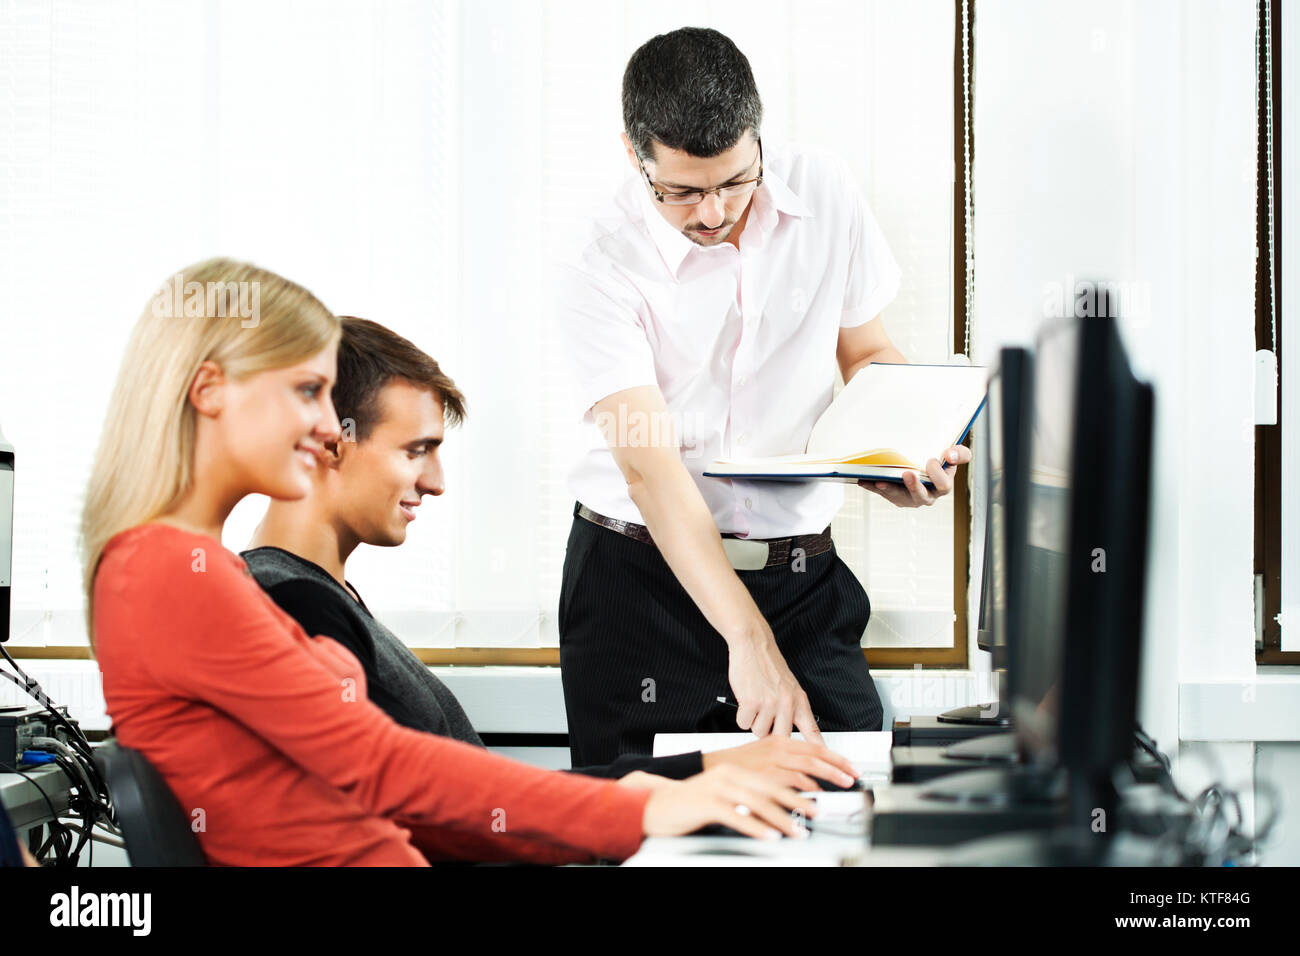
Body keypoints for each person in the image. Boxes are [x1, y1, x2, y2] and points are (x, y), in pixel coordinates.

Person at [82, 258, 817, 867]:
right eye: (306, 391)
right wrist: (652, 801)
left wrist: (670, 788)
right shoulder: (168, 570)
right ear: (207, 389)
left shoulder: (200, 570)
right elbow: (384, 765)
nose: (321, 423)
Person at [556, 27, 973, 767]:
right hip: (641, 585)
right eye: (682, 191)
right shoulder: (600, 257)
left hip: (802, 578)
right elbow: (650, 470)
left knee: (852, 796)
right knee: (652, 825)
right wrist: (747, 641)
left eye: (735, 181)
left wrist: (905, 454)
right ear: (634, 154)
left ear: (757, 137)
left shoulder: (825, 189)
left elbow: (867, 351)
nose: (713, 213)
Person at [242, 316, 858, 792]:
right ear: (327, 443)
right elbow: (440, 812)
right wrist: (691, 780)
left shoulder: (317, 596)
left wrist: (704, 773)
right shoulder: (291, 606)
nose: (436, 483)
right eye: (415, 451)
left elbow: (460, 800)